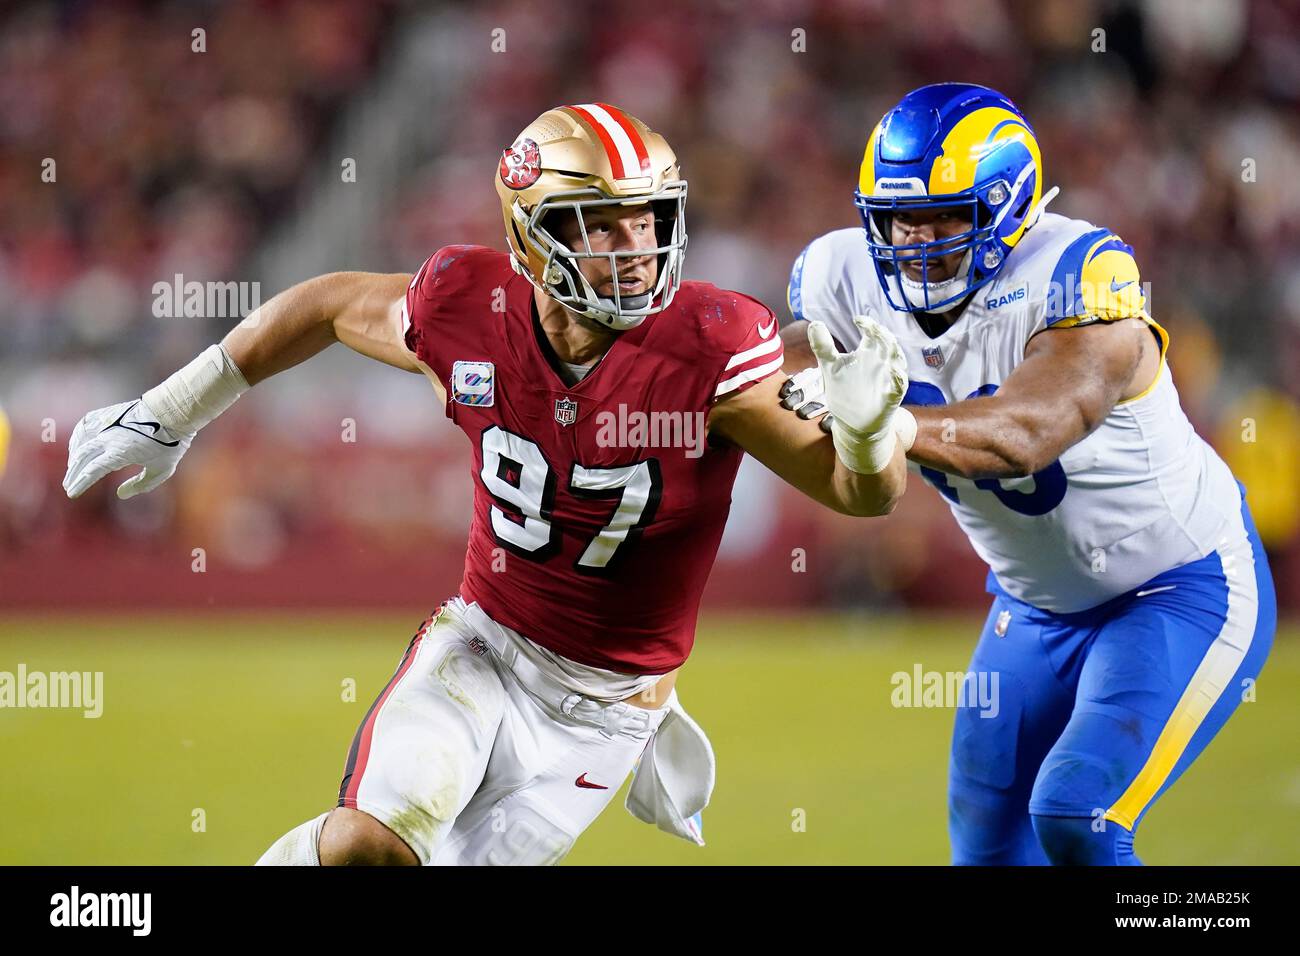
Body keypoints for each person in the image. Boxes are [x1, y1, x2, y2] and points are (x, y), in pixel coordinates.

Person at [63, 103, 911, 865]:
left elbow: (857, 492)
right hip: (481, 649)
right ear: (534, 235)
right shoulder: (469, 307)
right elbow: (327, 304)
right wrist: (173, 409)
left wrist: (871, 436)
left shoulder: (711, 345)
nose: (635, 250)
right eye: (601, 226)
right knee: (367, 845)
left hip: (606, 713)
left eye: (648, 221)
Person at [780, 83, 1275, 865]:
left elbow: (1031, 432)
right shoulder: (838, 276)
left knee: (1079, 814)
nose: (916, 240)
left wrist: (888, 423)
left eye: (946, 216)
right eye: (899, 217)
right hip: (1034, 605)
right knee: (986, 847)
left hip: (1181, 586)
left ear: (1008, 209)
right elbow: (768, 385)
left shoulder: (1081, 271)